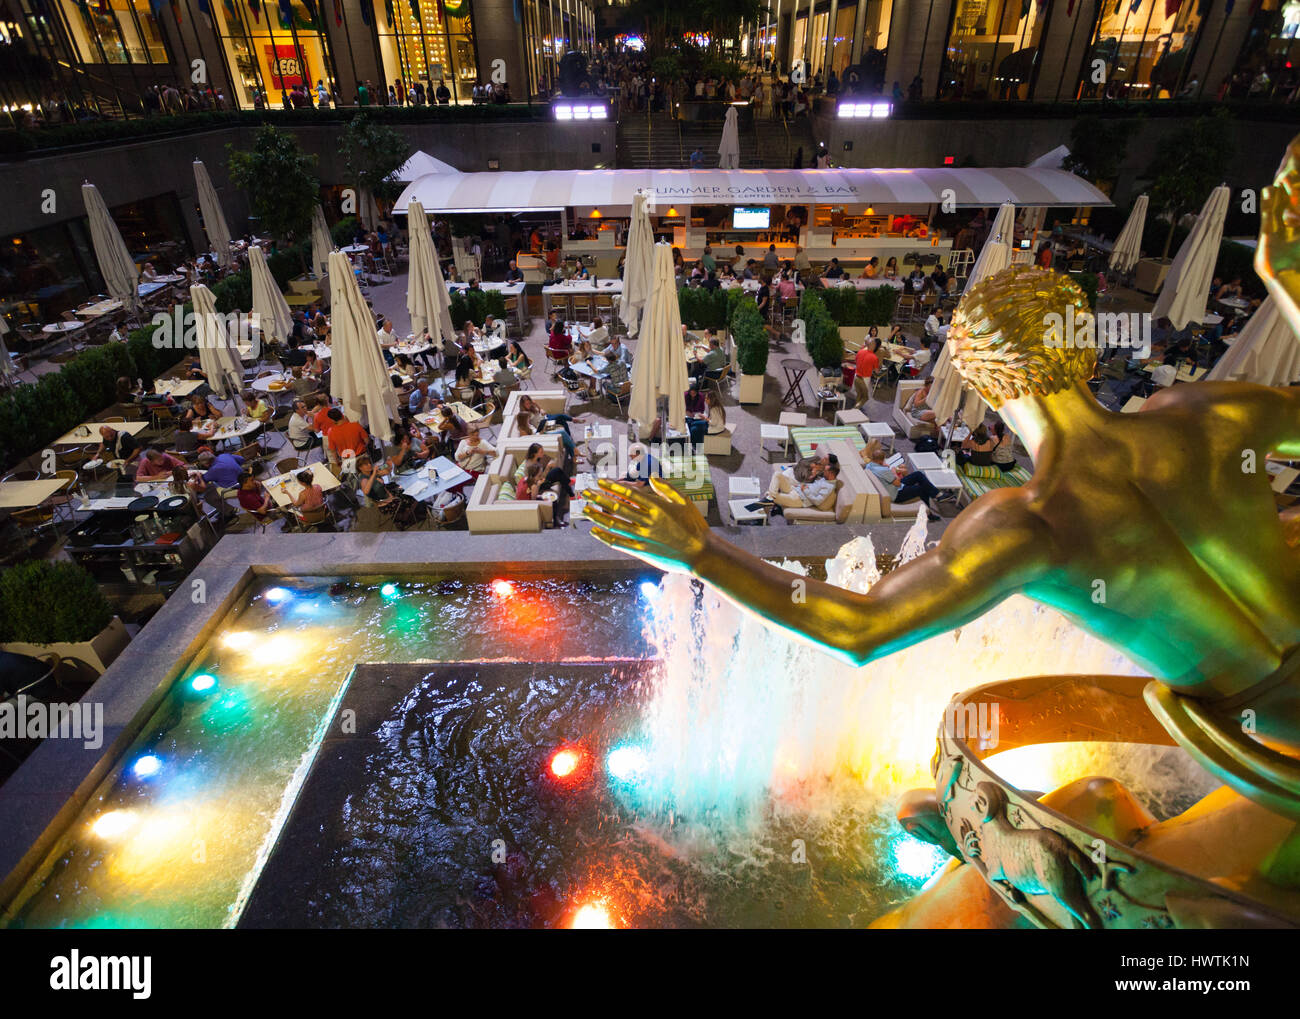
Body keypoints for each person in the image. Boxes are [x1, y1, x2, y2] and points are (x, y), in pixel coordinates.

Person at [859, 441, 941, 520]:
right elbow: (898, 483)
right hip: (896, 494)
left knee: (918, 474)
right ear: (881, 461)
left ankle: (936, 494)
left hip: (889, 487)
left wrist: (885, 467)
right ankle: (928, 514)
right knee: (922, 489)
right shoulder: (883, 471)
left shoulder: (869, 466)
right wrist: (893, 472)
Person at [763, 460, 840, 513]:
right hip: (795, 489)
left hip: (798, 500)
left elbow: (817, 501)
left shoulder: (829, 487)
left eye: (826, 471)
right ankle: (771, 498)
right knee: (777, 474)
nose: (823, 472)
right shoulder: (824, 479)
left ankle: (769, 501)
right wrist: (800, 485)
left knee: (768, 494)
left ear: (831, 474)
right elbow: (812, 486)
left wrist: (805, 490)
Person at [852, 340, 881, 408]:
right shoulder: (874, 357)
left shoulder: (860, 351)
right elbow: (876, 371)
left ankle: (856, 408)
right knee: (865, 397)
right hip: (864, 379)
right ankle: (855, 409)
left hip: (856, 377)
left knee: (859, 394)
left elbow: (855, 361)